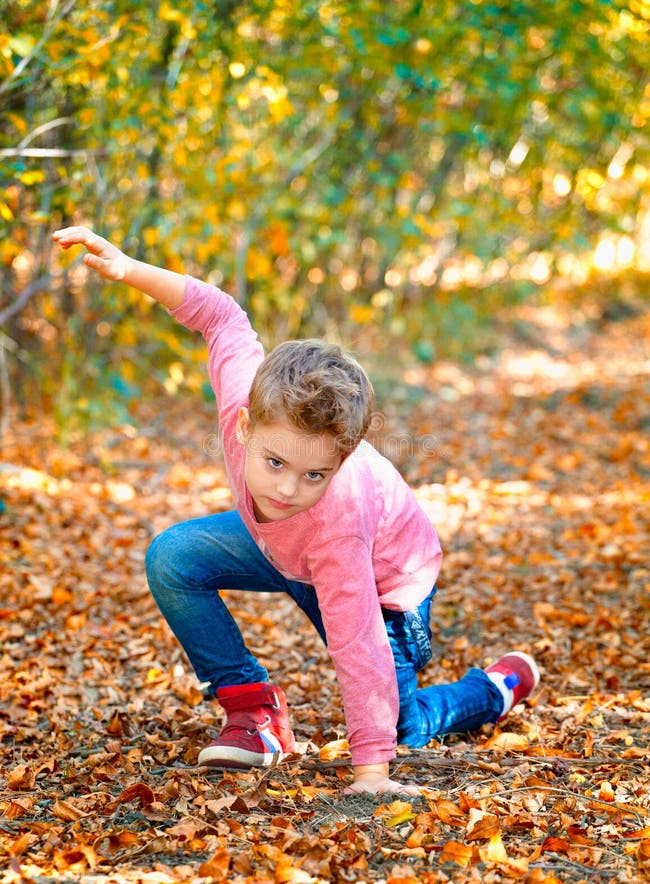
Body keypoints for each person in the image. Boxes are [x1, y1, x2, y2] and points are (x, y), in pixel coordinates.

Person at [52, 226, 540, 796]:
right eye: (276, 462)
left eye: (315, 474)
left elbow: (357, 645)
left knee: (399, 729)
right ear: (244, 427)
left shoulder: (339, 524)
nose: (286, 488)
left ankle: (494, 687)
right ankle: (255, 712)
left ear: (343, 457)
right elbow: (223, 317)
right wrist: (129, 268)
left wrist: (371, 773)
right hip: (282, 548)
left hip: (384, 578)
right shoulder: (248, 400)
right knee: (174, 557)